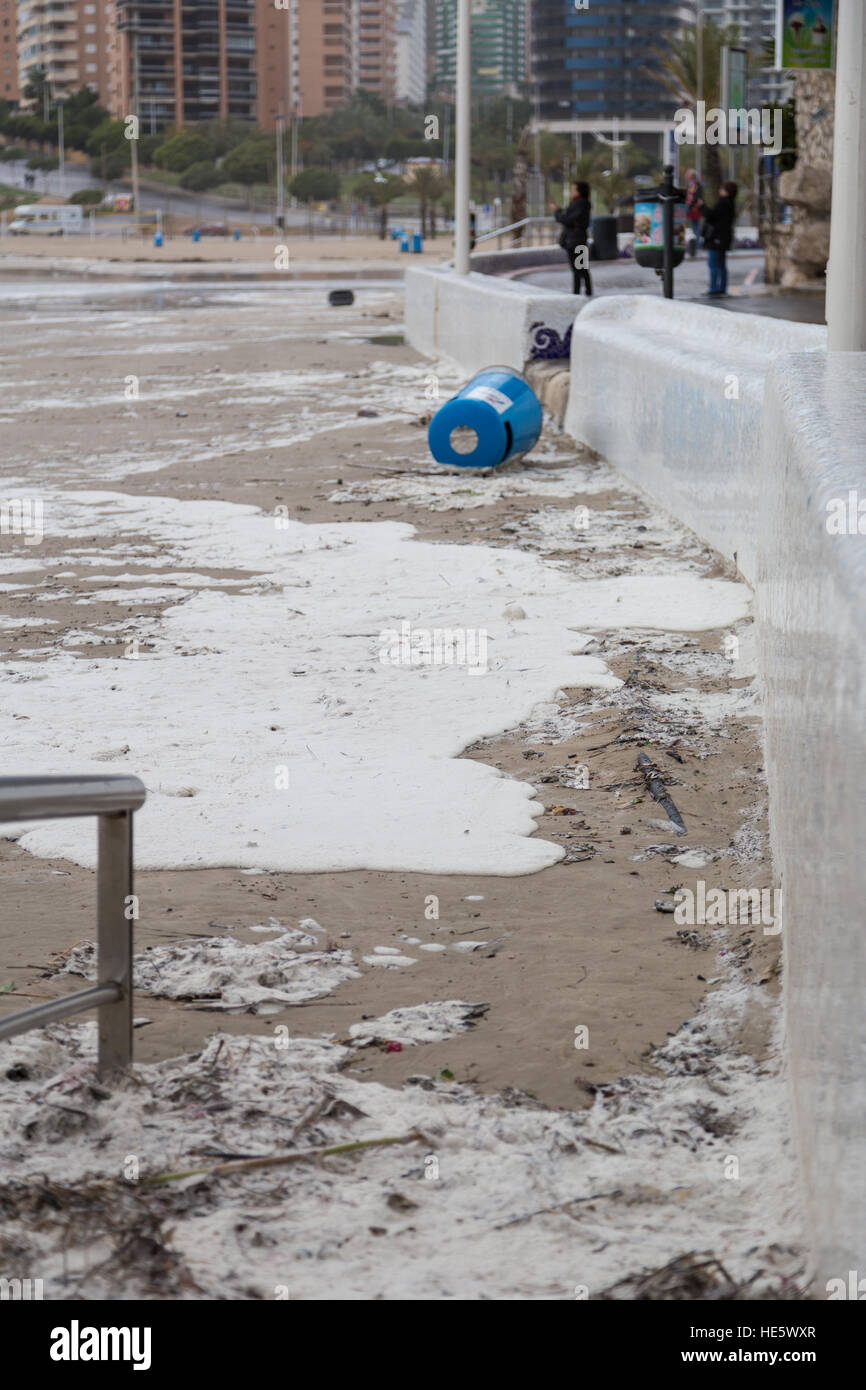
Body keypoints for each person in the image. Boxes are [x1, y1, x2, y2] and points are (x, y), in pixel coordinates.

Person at [553, 181, 592, 296]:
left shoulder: (581, 204)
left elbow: (567, 219)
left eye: (573, 190)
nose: (571, 192)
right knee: (579, 269)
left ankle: (580, 293)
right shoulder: (578, 204)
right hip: (574, 240)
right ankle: (581, 292)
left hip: (577, 240)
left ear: (579, 191)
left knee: (580, 269)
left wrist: (557, 211)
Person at [699, 181, 738, 296]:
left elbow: (711, 216)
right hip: (724, 238)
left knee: (713, 264)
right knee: (721, 264)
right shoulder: (730, 203)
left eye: (722, 188)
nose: (720, 190)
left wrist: (702, 206)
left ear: (726, 191)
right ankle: (721, 287)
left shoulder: (723, 203)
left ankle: (714, 288)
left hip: (717, 238)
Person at [684, 168, 703, 258]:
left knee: (695, 227)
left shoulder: (694, 185)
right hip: (695, 207)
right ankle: (696, 244)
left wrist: (690, 205)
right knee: (695, 226)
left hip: (694, 208)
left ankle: (696, 245)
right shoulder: (695, 184)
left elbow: (692, 196)